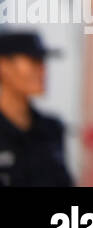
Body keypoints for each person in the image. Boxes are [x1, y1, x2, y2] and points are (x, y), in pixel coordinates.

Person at [0, 31, 74, 187]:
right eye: (34, 62)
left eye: (43, 62)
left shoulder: (51, 130)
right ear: (4, 66)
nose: (43, 71)